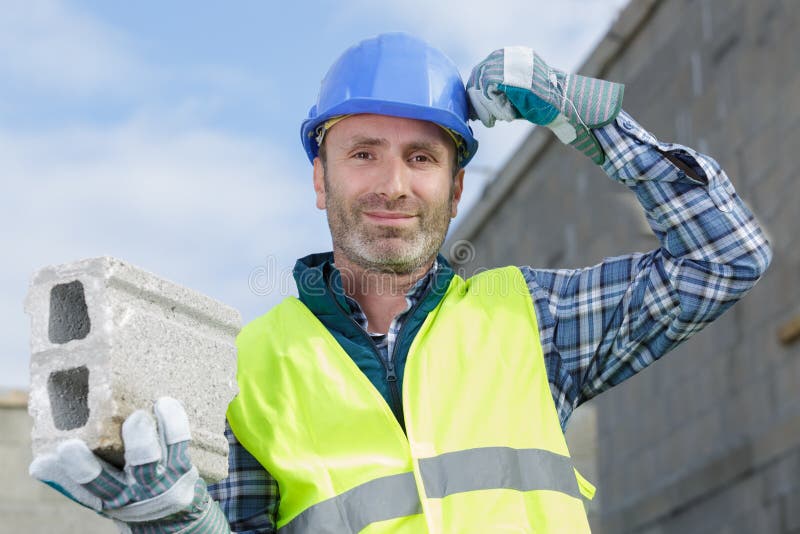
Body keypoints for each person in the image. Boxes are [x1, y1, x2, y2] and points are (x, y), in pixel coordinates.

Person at [30, 32, 772, 533]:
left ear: (454, 189)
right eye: (363, 153)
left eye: (422, 157)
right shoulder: (244, 367)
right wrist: (179, 522)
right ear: (320, 179)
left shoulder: (535, 319)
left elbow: (726, 256)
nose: (393, 184)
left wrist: (593, 122)